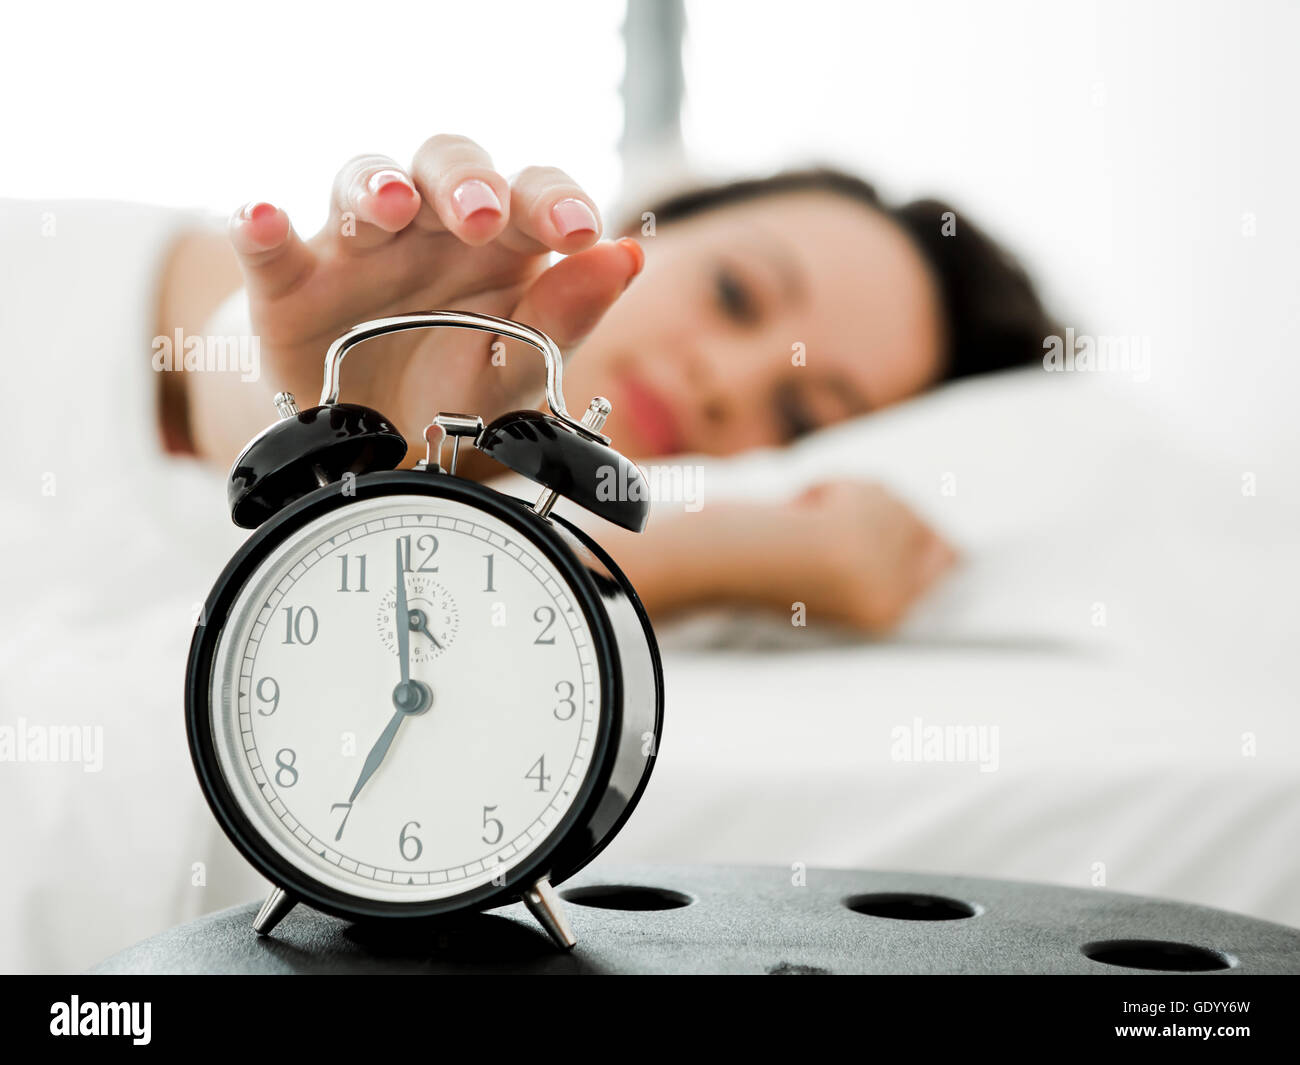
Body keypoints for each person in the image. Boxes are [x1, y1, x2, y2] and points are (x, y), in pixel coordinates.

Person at [153, 134, 1057, 631]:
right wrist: (321, 391)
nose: (725, 382)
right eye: (734, 293)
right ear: (648, 225)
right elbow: (213, 360)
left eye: (798, 413)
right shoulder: (394, 270)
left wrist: (736, 546)